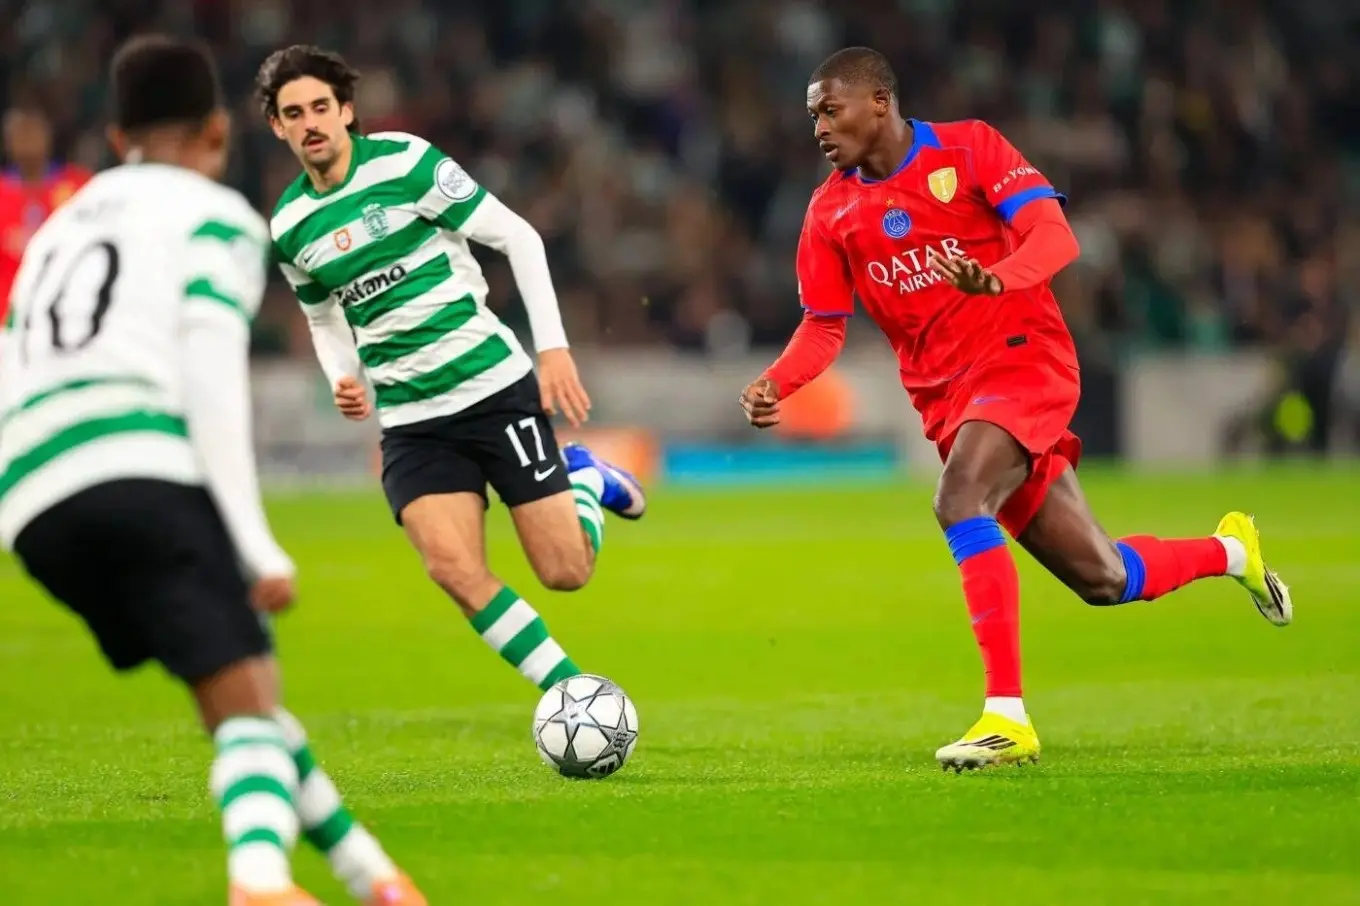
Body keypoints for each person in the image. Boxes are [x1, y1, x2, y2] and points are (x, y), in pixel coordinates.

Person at [740, 47, 1292, 771]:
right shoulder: (829, 211)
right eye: (812, 114)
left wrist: (997, 279)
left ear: (879, 102)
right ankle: (1231, 552)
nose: (817, 126)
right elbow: (823, 324)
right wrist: (777, 381)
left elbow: (1055, 235)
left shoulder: (969, 148)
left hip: (1023, 360)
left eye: (828, 109)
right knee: (1104, 578)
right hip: (948, 400)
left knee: (958, 499)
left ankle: (1006, 717)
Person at [0, 36, 423, 905]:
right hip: (132, 465)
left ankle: (374, 879)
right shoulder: (214, 216)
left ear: (117, 139)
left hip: (27, 497)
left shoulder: (58, 226)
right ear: (219, 130)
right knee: (246, 691)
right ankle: (258, 883)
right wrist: (254, 542)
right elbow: (211, 384)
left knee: (240, 696)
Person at [255, 45, 646, 694]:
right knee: (452, 568)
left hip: (490, 388)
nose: (310, 123)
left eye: (321, 106)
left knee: (565, 572)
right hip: (412, 422)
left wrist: (552, 349)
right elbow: (322, 317)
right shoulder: (291, 224)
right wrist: (341, 374)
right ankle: (571, 693)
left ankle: (584, 479)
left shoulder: (406, 163)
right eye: (293, 113)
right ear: (277, 126)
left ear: (346, 110)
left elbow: (519, 237)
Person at [0, 103, 93, 327]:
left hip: (68, 311)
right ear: (7, 140)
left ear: (48, 135)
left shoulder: (79, 186)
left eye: (34, 131)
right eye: (21, 132)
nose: (28, 140)